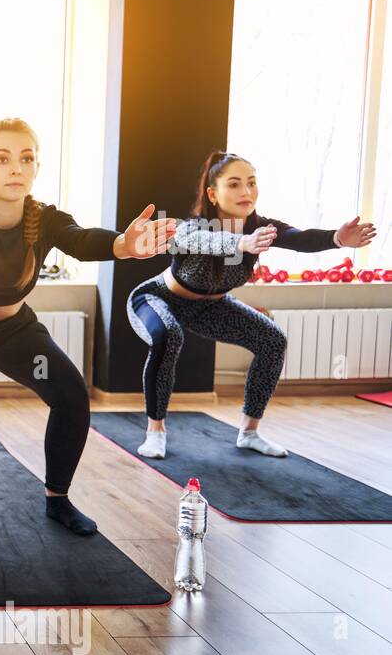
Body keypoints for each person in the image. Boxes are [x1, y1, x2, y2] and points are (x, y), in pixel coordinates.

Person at [0, 117, 177, 539]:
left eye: (26, 158)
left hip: (13, 333)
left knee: (72, 394)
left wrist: (123, 245)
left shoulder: (46, 219)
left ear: (36, 168)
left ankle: (58, 498)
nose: (15, 167)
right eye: (1, 159)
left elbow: (81, 239)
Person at [127, 150, 376, 459]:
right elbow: (204, 242)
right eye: (234, 184)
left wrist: (336, 239)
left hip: (211, 308)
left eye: (251, 183)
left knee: (273, 340)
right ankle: (155, 431)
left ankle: (249, 432)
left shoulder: (260, 227)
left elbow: (299, 238)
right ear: (212, 193)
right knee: (169, 337)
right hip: (157, 298)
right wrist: (240, 243)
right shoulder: (189, 227)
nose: (246, 192)